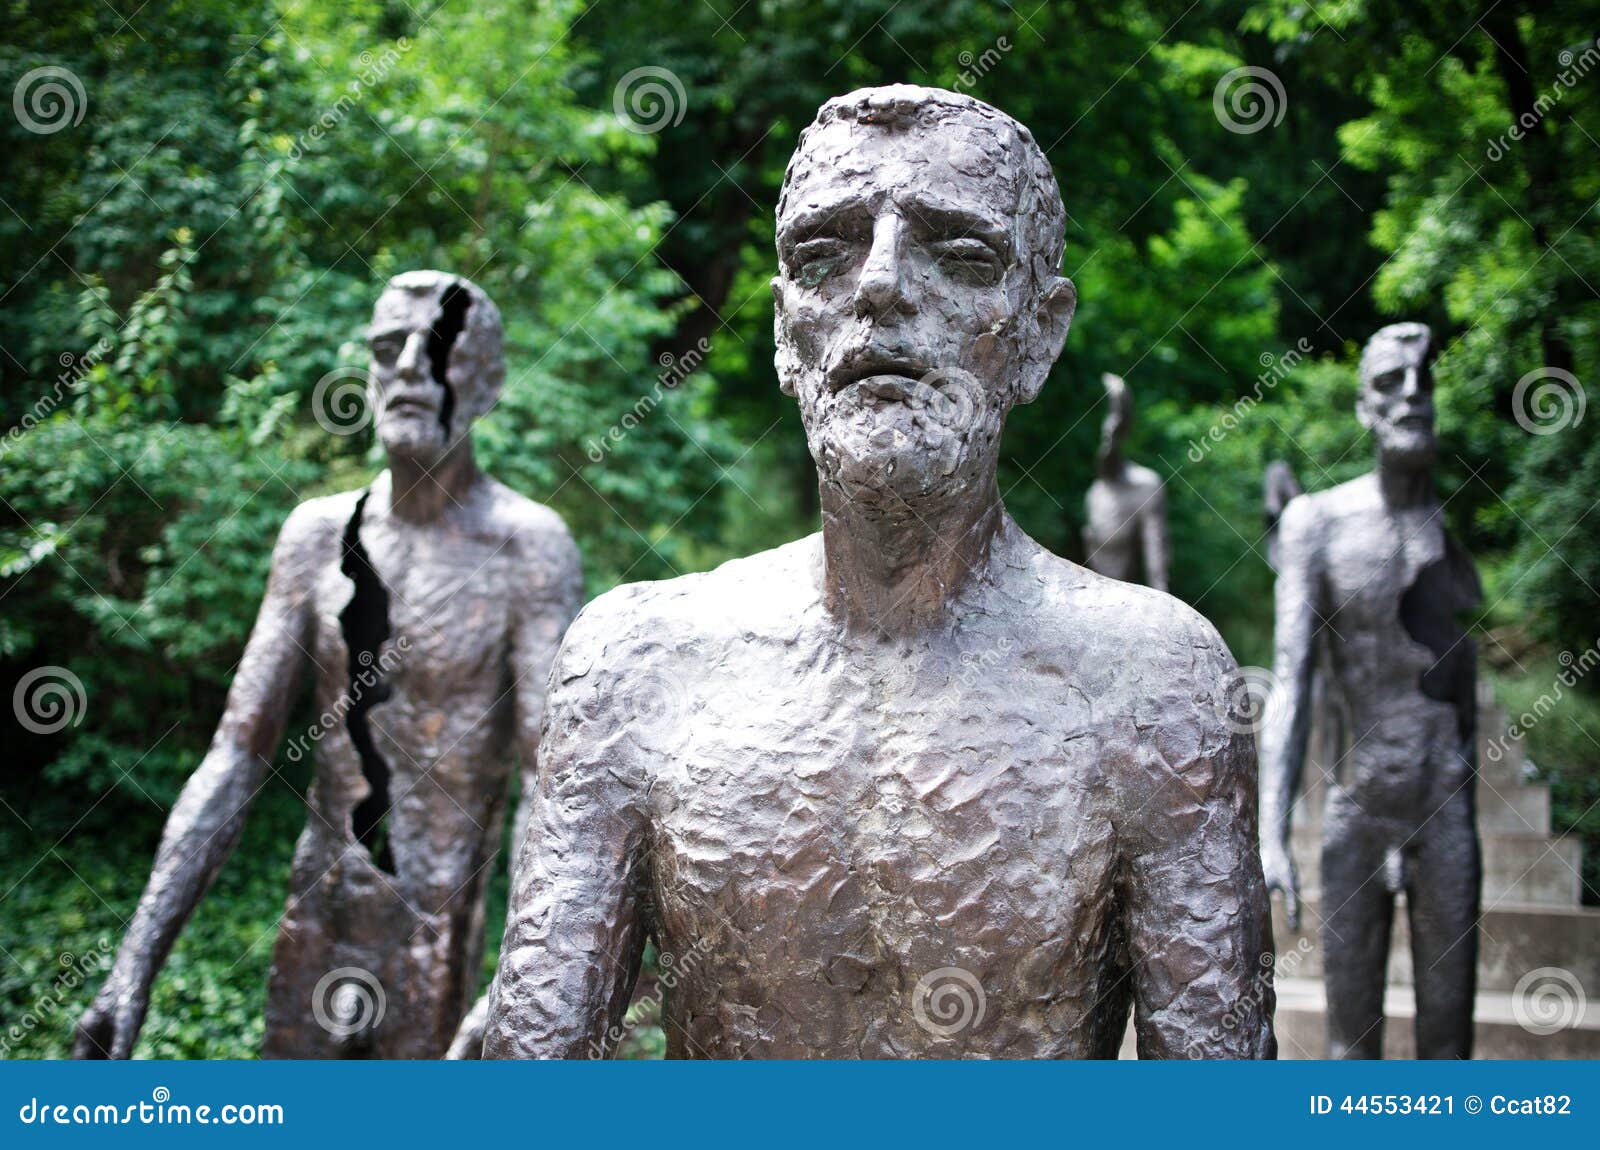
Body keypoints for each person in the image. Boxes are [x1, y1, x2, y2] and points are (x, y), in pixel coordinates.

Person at [483, 86, 1274, 1059]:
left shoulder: (1155, 683)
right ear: (785, 333)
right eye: (824, 252)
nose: (881, 287)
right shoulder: (631, 667)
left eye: (960, 254)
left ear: (1040, 333)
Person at [75, 272, 582, 1058]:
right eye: (388, 348)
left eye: (439, 348)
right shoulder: (315, 535)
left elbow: (550, 786)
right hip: (318, 918)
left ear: (487, 382)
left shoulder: (529, 548)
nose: (409, 368)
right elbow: (237, 753)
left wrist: (518, 981)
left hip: (438, 936)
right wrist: (132, 965)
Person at [1259, 322, 1481, 1058]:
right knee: (1348, 1048)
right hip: (1358, 808)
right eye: (1390, 382)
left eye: (1423, 380)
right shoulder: (1315, 523)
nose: (1412, 395)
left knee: (1449, 1045)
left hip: (1447, 807)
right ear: (1363, 407)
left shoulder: (1455, 529)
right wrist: (1272, 829)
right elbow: (1290, 679)